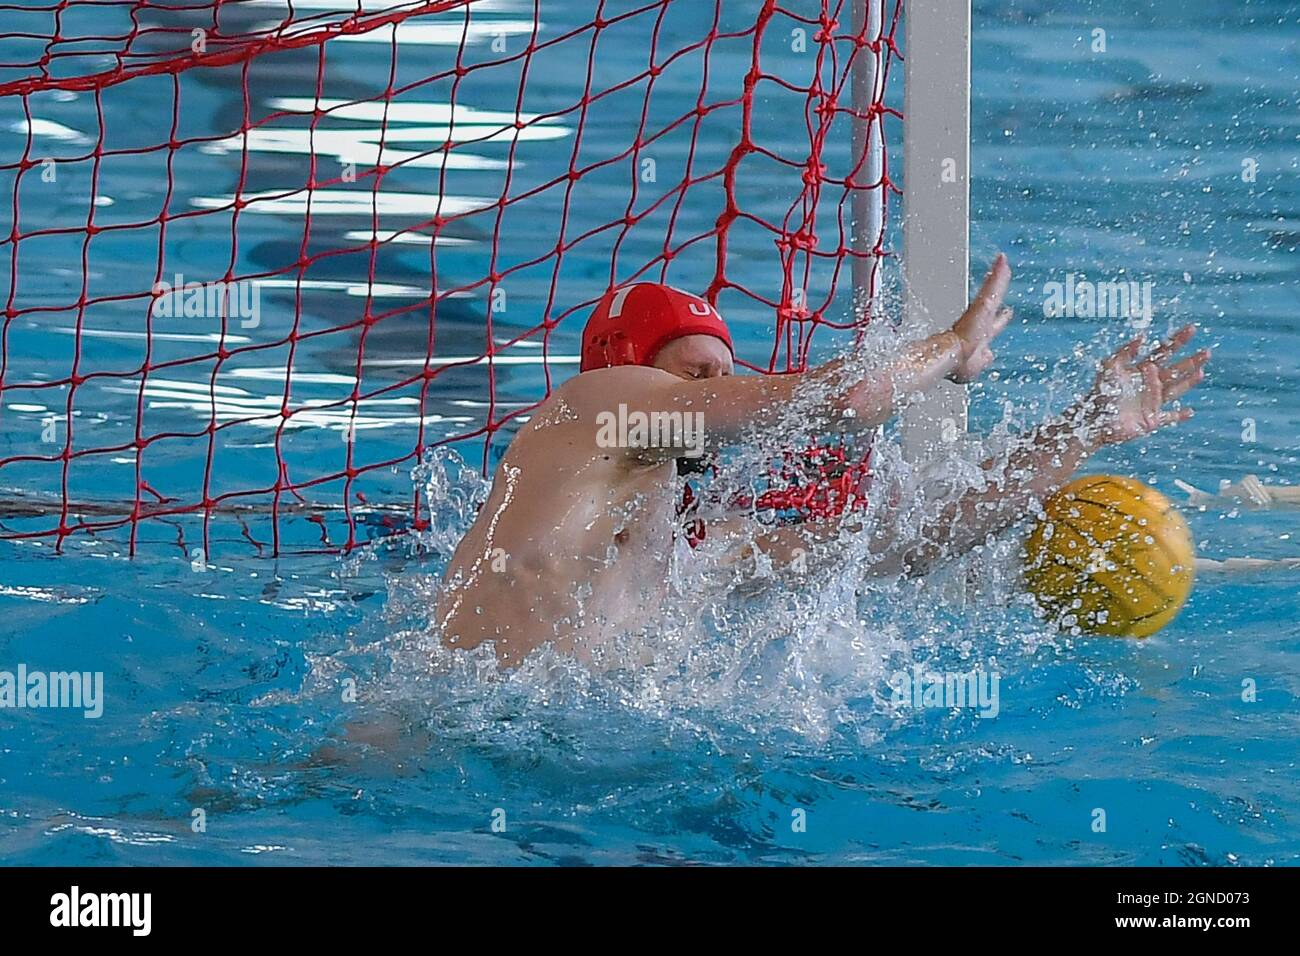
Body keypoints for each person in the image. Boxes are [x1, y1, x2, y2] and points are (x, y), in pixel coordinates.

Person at [435, 255, 1210, 665]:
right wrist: (951, 346)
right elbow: (850, 399)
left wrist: (1080, 431)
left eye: (726, 373)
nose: (723, 391)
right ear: (628, 367)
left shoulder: (690, 548)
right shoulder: (597, 406)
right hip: (438, 755)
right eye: (696, 375)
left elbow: (909, 547)